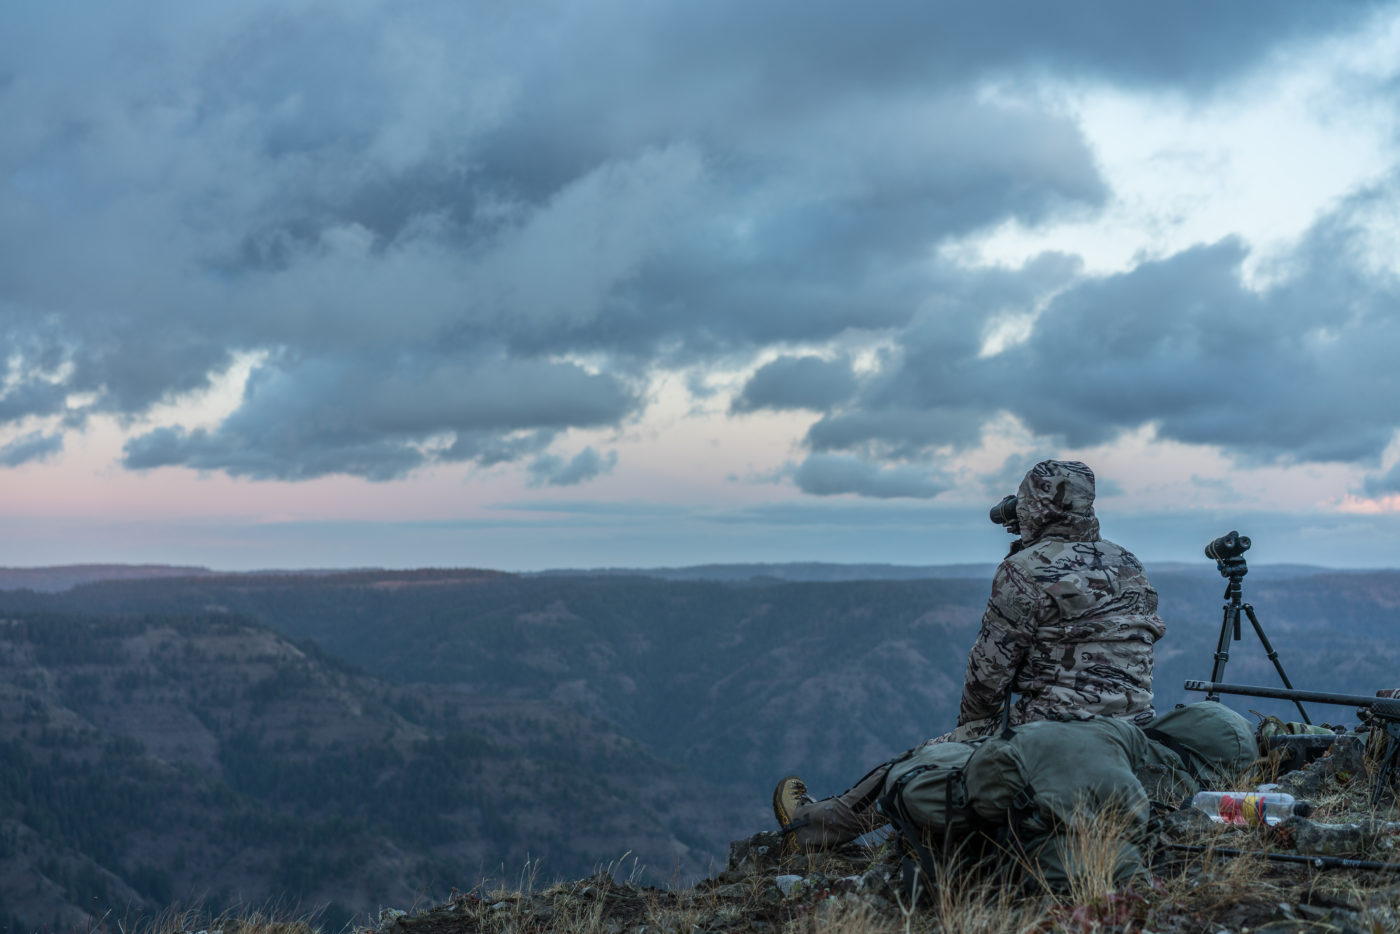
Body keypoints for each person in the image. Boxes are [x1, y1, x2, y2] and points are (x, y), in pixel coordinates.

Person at [774, 459, 1167, 853]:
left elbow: (987, 678)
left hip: (1055, 734)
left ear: (1033, 506)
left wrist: (969, 741)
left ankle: (814, 827)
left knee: (920, 763)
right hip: (1135, 733)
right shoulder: (1128, 562)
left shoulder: (1025, 570)